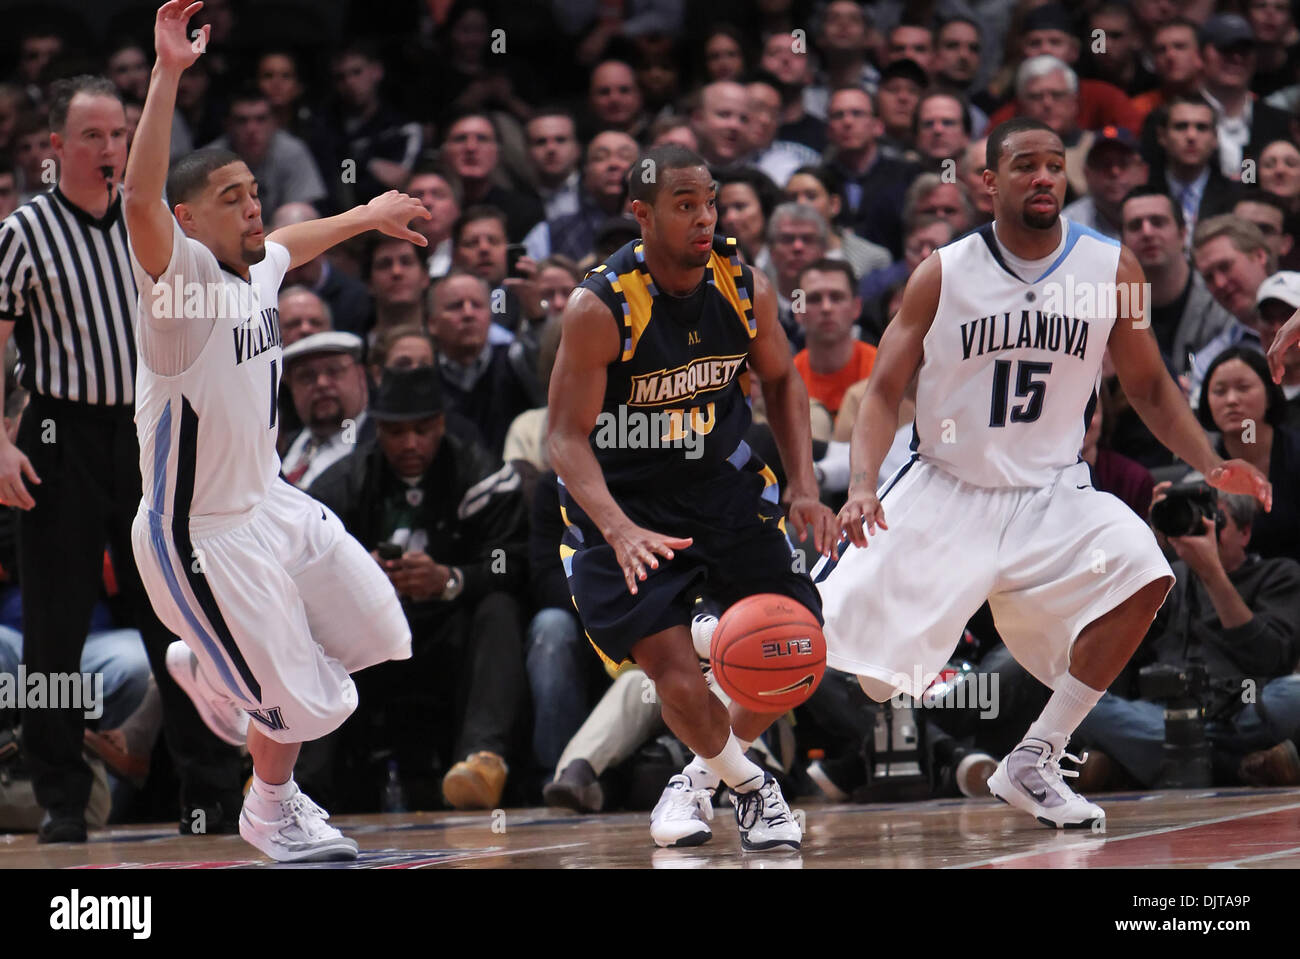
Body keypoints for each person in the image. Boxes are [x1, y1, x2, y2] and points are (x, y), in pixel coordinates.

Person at [813, 117, 1271, 830]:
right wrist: (866, 482)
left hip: (1052, 491)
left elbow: (1148, 387)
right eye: (1025, 165)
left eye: (1055, 165)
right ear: (987, 181)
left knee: (1144, 571)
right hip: (947, 488)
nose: (1044, 177)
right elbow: (882, 390)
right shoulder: (944, 271)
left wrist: (1212, 462)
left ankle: (1036, 755)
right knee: (822, 639)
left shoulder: (1113, 268)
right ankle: (711, 768)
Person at [122, 1, 424, 862]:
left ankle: (220, 671)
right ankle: (268, 802)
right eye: (230, 199)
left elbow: (292, 238)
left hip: (271, 506)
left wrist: (368, 216)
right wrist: (168, 72)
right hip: (199, 537)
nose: (253, 208)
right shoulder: (177, 292)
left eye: (253, 191)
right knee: (307, 704)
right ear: (186, 222)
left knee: (376, 630)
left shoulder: (257, 267)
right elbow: (141, 195)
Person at [546, 144, 837, 851]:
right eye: (685, 205)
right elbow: (562, 437)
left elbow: (783, 381)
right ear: (641, 213)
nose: (705, 217)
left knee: (796, 643)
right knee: (675, 674)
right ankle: (752, 787)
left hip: (722, 486)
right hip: (625, 502)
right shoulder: (601, 305)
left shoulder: (744, 283)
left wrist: (802, 486)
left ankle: (698, 779)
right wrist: (617, 528)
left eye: (711, 201)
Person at [0, 71, 245, 843]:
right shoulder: (25, 232)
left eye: (121, 134)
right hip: (59, 439)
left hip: (151, 433)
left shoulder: (154, 223)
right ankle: (62, 801)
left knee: (180, 618)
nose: (111, 149)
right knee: (54, 630)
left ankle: (208, 792)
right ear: (57, 148)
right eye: (95, 136)